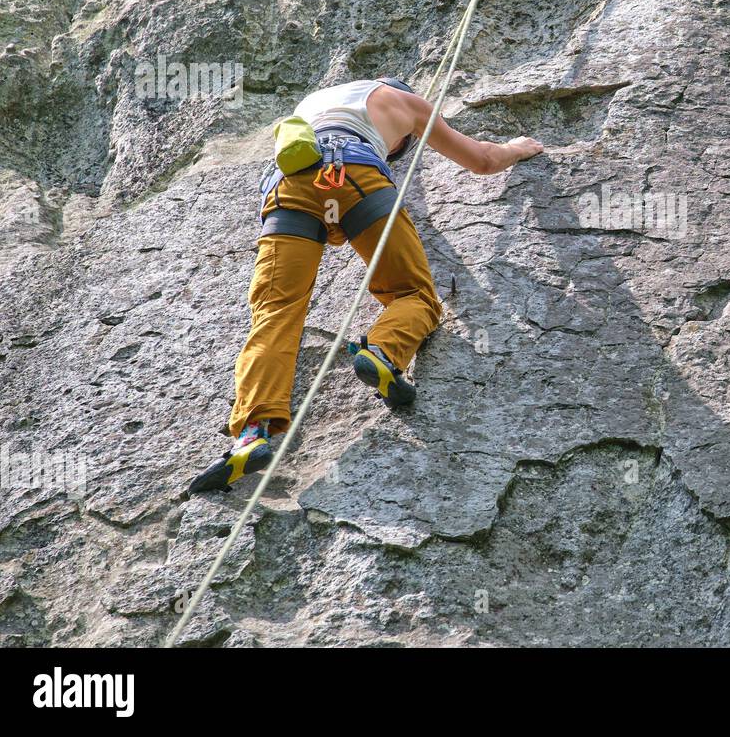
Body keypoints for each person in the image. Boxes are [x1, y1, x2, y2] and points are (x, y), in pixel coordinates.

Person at [187, 77, 542, 494]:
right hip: (356, 176)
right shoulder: (406, 103)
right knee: (414, 295)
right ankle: (382, 352)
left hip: (289, 185)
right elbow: (482, 160)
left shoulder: (314, 98)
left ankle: (252, 433)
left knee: (275, 314)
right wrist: (520, 147)